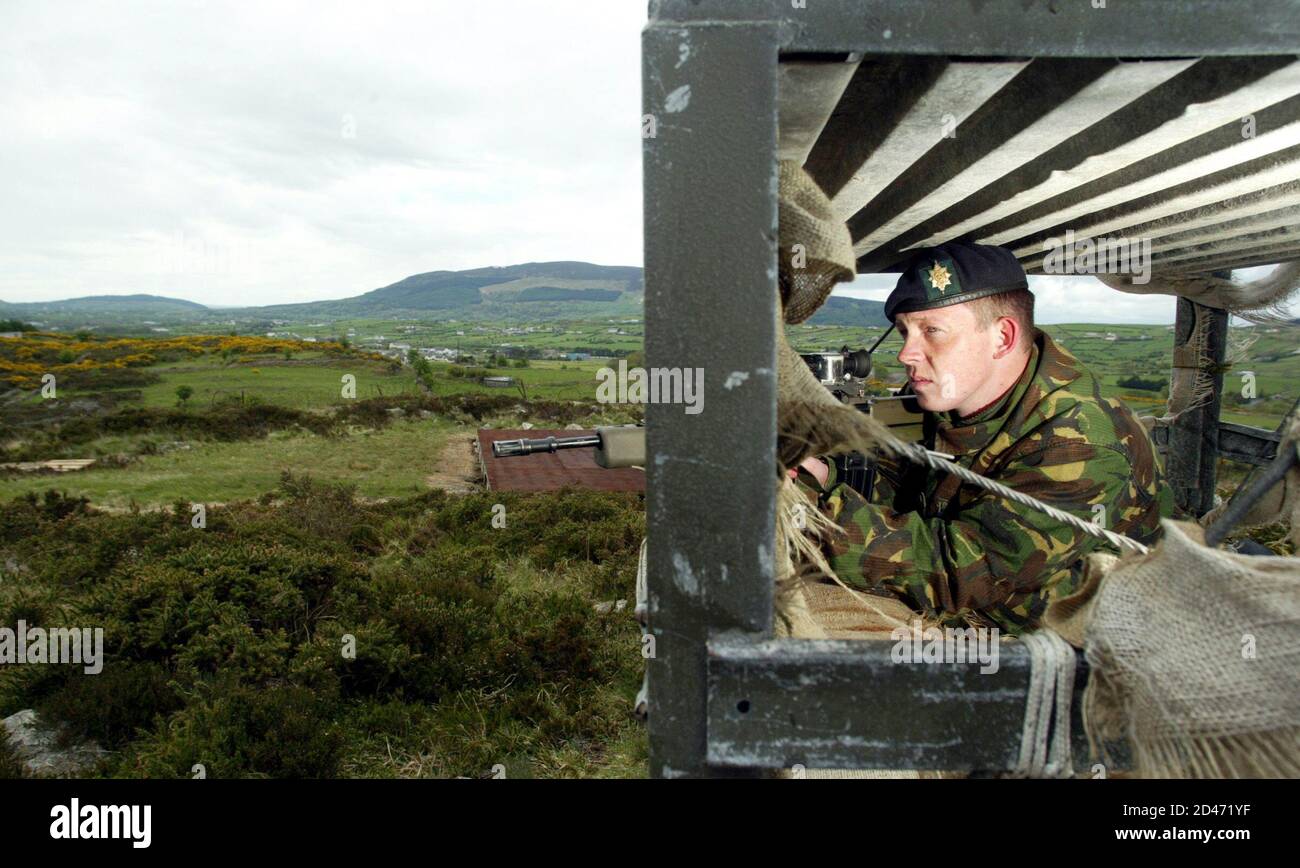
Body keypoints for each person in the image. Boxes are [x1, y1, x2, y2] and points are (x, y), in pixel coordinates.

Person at [794, 241, 1169, 635]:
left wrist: (804, 516)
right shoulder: (955, 400)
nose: (906, 353)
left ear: (1002, 337)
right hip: (962, 608)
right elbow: (894, 485)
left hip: (1045, 635)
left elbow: (965, 573)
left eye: (932, 331)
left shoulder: (1080, 439)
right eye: (905, 332)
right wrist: (821, 476)